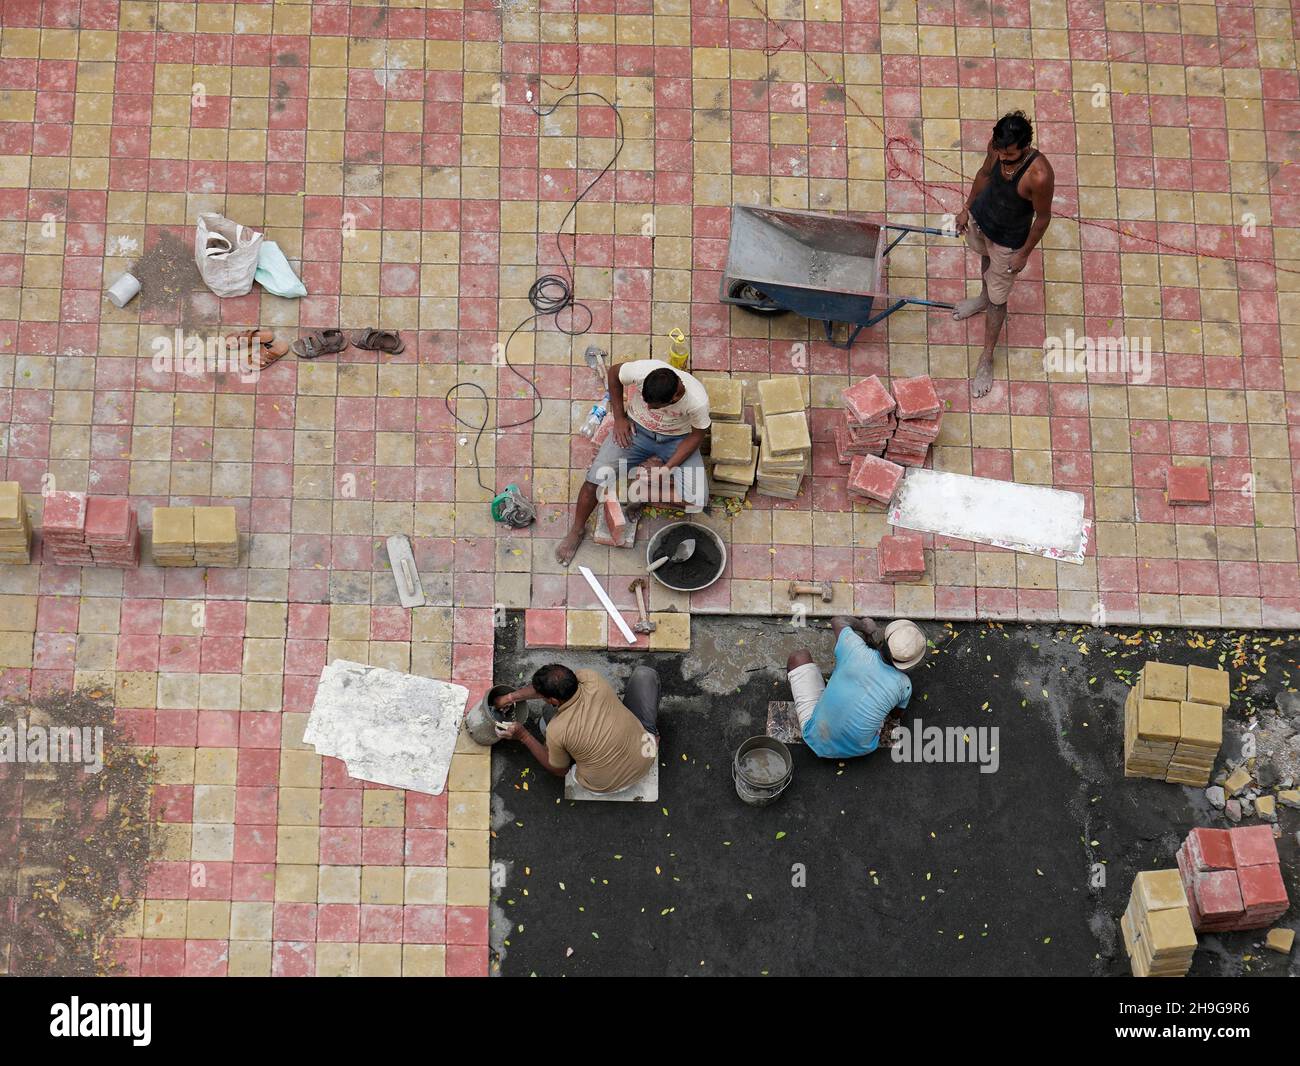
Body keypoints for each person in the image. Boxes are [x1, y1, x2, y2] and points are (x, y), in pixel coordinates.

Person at [555, 358, 710, 565]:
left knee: (698, 498)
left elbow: (697, 436)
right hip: (636, 431)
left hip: (677, 438)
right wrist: (619, 417)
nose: (647, 407)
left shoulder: (697, 401)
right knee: (594, 480)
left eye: (653, 407)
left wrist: (666, 468)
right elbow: (613, 373)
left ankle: (642, 495)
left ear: (675, 397)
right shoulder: (643, 371)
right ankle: (577, 529)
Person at [953, 110, 1055, 398]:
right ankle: (981, 298)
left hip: (1010, 240)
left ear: (1024, 147)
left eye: (1009, 155)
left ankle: (987, 356)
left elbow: (1043, 218)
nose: (1002, 158)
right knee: (985, 262)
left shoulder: (1039, 175)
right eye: (999, 152)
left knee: (999, 298)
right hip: (984, 220)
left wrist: (1024, 253)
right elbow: (984, 174)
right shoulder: (996, 149)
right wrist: (966, 208)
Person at [493, 663, 659, 794]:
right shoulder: (590, 678)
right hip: (646, 755)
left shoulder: (557, 729)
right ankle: (653, 737)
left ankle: (570, 753)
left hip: (604, 785)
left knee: (546, 721)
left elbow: (559, 771)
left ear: (553, 700)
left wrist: (523, 736)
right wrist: (509, 697)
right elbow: (543, 691)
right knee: (645, 674)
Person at [785, 616, 926, 759]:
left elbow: (837, 621)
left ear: (885, 640)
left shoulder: (853, 647)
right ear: (909, 663)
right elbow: (895, 715)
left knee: (798, 657)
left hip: (815, 736)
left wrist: (864, 626)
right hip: (860, 748)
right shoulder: (905, 685)